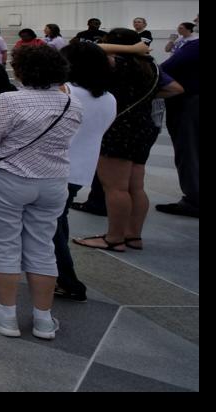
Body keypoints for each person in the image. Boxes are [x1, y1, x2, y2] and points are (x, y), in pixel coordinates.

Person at [0, 43, 81, 341]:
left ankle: (6, 314)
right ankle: (44, 319)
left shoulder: (9, 101)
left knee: (4, 244)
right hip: (54, 181)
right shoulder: (71, 103)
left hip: (9, 178)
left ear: (20, 69)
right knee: (43, 246)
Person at [72, 29, 181, 253]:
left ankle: (114, 238)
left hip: (118, 127)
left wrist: (129, 50)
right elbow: (175, 89)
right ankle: (133, 235)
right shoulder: (150, 67)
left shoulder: (116, 65)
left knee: (115, 188)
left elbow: (83, 49)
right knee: (136, 187)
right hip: (143, 126)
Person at [52, 42, 116, 302]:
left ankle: (68, 280)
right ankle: (59, 273)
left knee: (51, 225)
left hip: (55, 167)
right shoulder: (108, 98)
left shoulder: (67, 93)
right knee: (58, 220)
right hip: (80, 170)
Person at [155, 15, 199, 218]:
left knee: (188, 148)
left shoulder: (193, 47)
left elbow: (166, 68)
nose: (195, 19)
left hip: (188, 101)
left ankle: (193, 198)